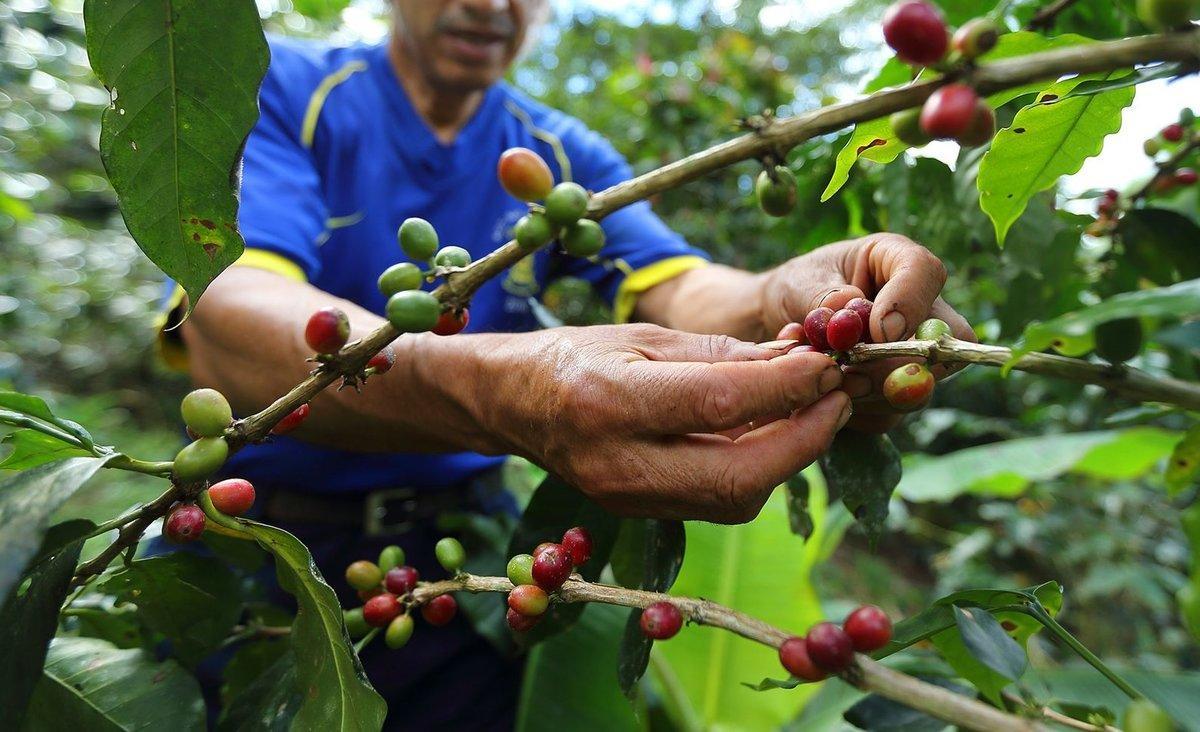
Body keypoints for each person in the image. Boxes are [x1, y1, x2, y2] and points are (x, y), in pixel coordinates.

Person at [156, 0, 972, 727]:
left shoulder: (557, 152)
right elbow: (227, 308)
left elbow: (680, 286)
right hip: (247, 541)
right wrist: (497, 388)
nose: (488, 6)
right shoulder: (284, 91)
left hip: (460, 560)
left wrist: (782, 302)